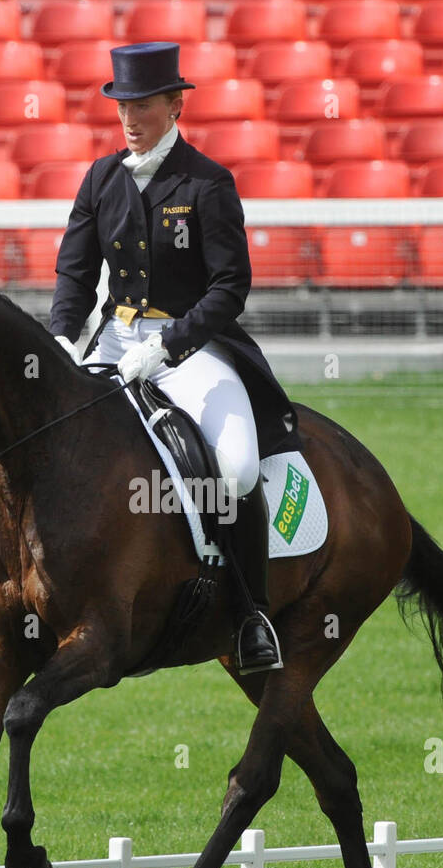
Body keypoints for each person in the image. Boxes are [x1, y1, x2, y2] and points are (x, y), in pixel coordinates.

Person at [48, 41, 300, 675]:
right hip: (112, 339)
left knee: (238, 468)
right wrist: (59, 344)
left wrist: (168, 345)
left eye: (143, 105)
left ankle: (249, 615)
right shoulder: (100, 179)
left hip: (192, 348)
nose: (130, 118)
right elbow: (75, 278)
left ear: (175, 104)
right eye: (121, 105)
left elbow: (230, 288)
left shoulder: (207, 183)